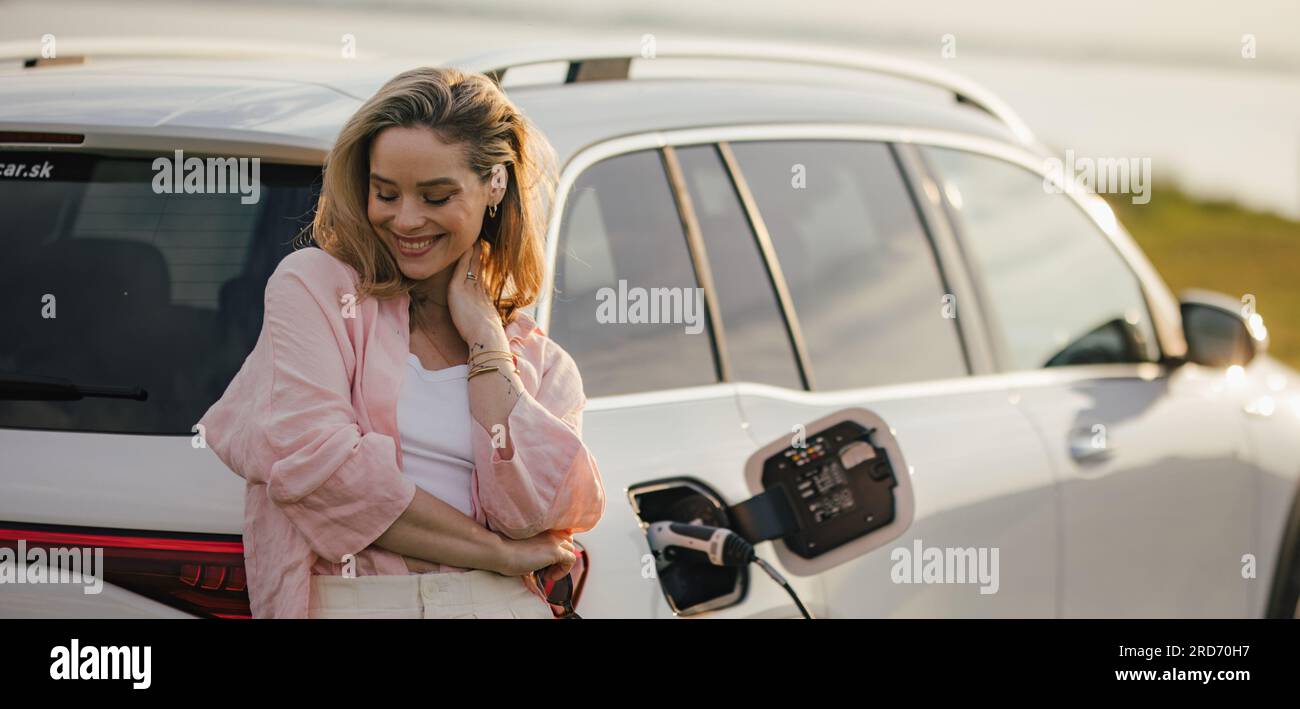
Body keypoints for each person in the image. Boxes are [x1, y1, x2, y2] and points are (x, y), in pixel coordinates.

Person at [197, 66, 605, 619]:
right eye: (385, 192)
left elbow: (537, 514)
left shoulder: (537, 359)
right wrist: (495, 553)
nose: (406, 220)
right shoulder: (316, 289)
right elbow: (322, 475)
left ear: (495, 185)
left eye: (436, 196)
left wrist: (486, 339)